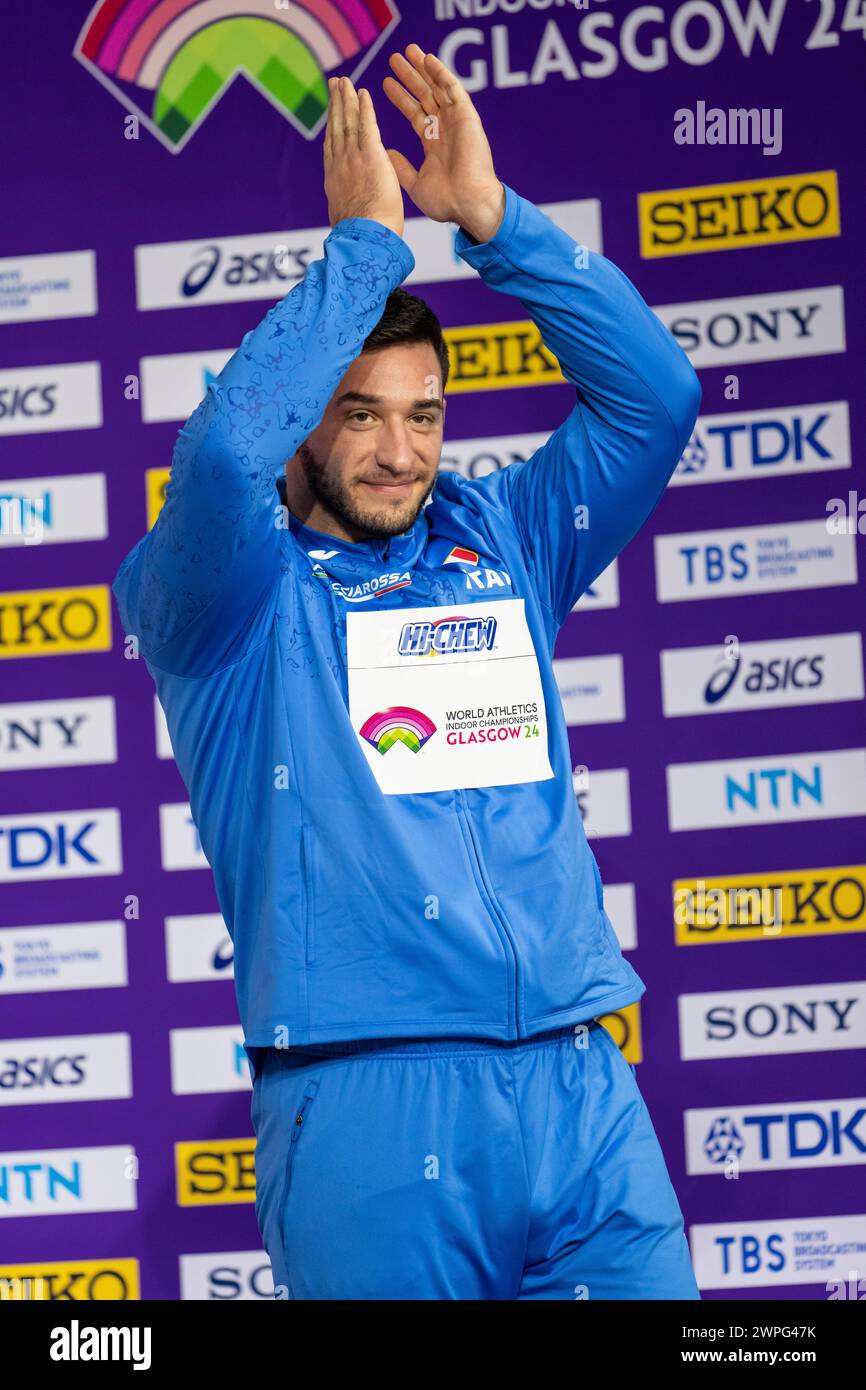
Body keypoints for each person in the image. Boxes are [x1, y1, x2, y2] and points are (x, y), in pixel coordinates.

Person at [113, 45, 702, 1300]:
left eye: (423, 414)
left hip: (576, 1082)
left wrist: (494, 224)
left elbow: (654, 401)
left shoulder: (500, 540)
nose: (397, 450)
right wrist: (365, 254)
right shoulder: (221, 593)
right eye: (359, 411)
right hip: (364, 1103)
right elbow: (220, 462)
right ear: (301, 426)